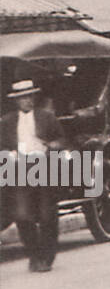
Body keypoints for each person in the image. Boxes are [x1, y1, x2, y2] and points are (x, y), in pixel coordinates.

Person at [1, 80, 66, 272]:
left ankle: (47, 257)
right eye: (22, 98)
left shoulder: (47, 117)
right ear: (16, 101)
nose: (27, 101)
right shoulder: (6, 122)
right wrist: (8, 153)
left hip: (43, 167)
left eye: (29, 96)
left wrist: (52, 146)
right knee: (23, 215)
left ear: (34, 97)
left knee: (47, 215)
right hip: (20, 169)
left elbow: (61, 139)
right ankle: (34, 256)